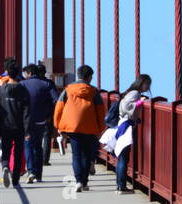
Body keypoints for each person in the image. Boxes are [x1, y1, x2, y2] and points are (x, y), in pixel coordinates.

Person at [53, 64, 105, 192]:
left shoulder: (68, 89)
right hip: (90, 127)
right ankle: (84, 181)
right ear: (89, 77)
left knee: (76, 155)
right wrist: (100, 129)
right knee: (86, 155)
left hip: (72, 127)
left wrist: (58, 126)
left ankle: (78, 181)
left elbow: (59, 108)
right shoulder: (93, 91)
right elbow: (100, 111)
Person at [103, 74, 152, 194]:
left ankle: (120, 185)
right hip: (126, 126)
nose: (149, 86)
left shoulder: (130, 92)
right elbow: (126, 107)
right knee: (124, 157)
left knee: (122, 157)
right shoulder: (135, 93)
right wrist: (140, 102)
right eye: (148, 84)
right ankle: (121, 186)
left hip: (124, 124)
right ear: (142, 83)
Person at [21, 63, 58, 183]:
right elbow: (56, 100)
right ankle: (39, 175)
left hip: (27, 121)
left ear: (29, 73)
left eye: (25, 73)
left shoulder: (23, 84)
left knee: (28, 145)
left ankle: (31, 171)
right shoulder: (47, 84)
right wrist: (50, 116)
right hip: (42, 120)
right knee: (38, 146)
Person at [0, 60, 30, 186]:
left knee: (5, 148)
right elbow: (27, 111)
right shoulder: (23, 90)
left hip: (5, 125)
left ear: (7, 73)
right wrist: (27, 129)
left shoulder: (1, 89)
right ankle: (15, 177)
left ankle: (5, 166)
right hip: (19, 126)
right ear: (18, 74)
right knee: (17, 151)